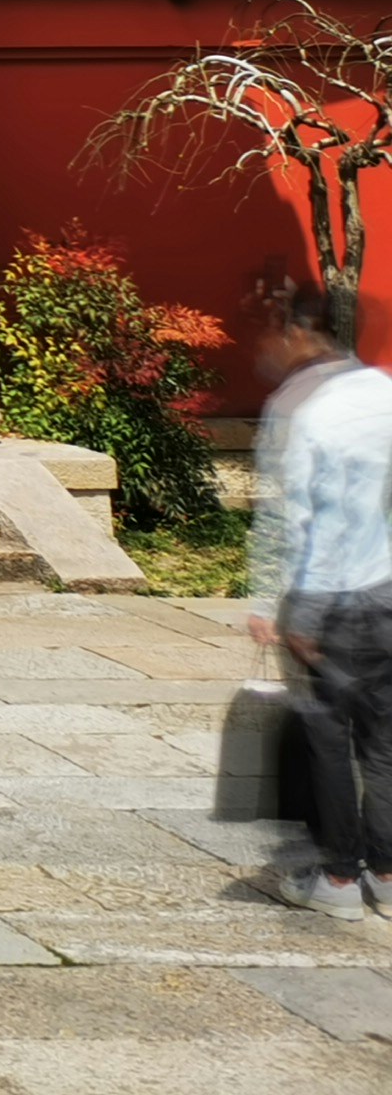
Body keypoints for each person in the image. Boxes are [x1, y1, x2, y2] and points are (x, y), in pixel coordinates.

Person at [247, 282, 392, 917]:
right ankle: (388, 875)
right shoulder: (385, 394)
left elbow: (299, 519)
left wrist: (287, 609)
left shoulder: (309, 411)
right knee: (385, 744)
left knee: (330, 742)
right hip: (388, 589)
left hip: (332, 599)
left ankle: (338, 880)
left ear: (306, 332)